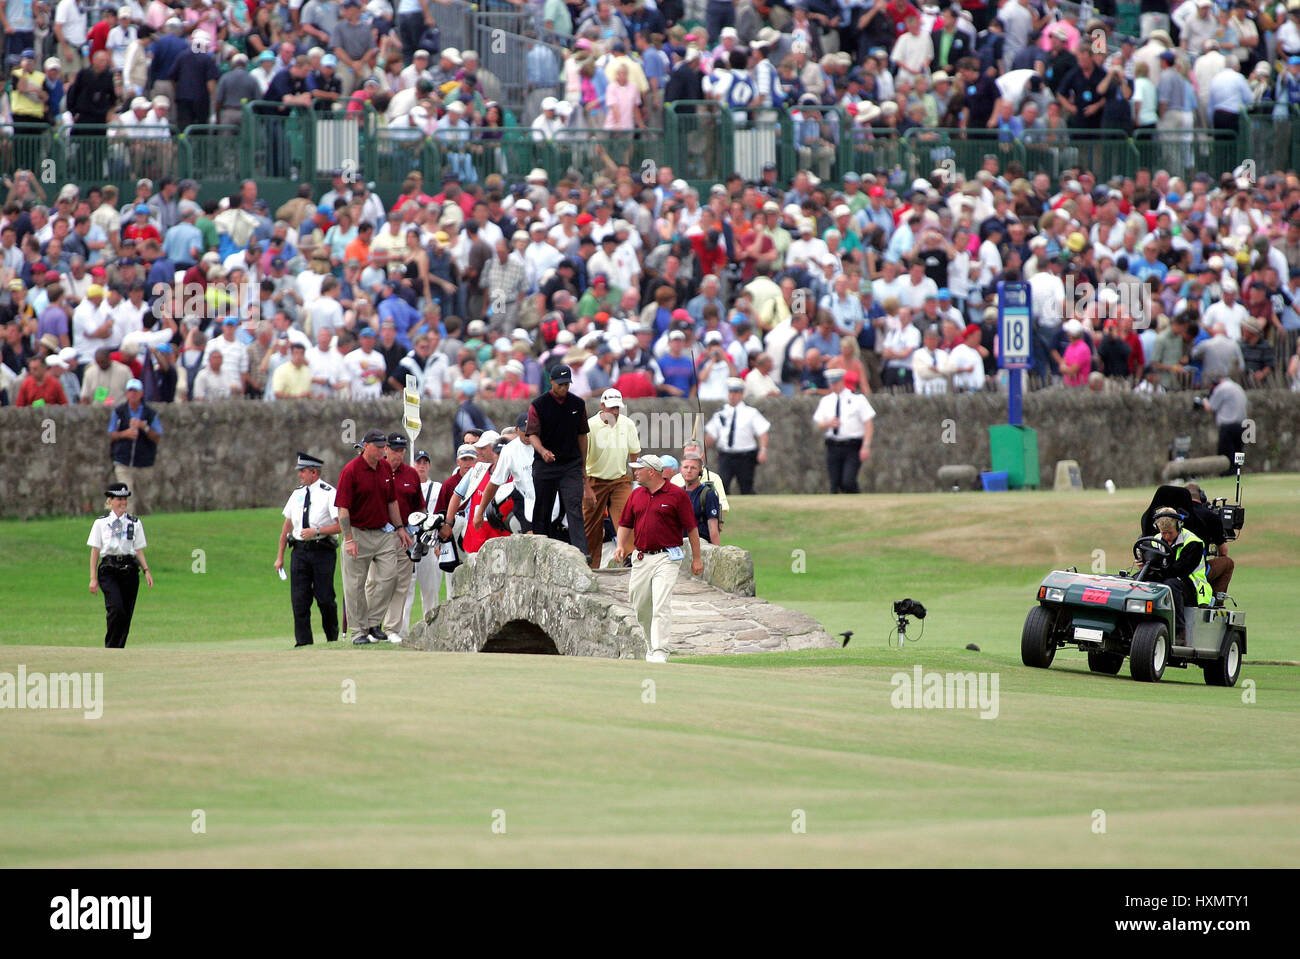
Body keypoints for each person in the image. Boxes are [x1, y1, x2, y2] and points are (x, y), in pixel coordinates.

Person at [613, 454, 704, 664]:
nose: (635, 473)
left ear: (651, 472)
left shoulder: (677, 495)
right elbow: (625, 523)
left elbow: (691, 528)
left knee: (660, 604)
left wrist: (697, 558)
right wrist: (619, 546)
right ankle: (650, 646)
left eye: (638, 469)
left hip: (667, 557)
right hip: (641, 557)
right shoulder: (636, 495)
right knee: (641, 605)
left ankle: (660, 650)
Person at [335, 429, 412, 645]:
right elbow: (343, 508)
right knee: (355, 585)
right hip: (357, 533)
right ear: (366, 446)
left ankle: (372, 622)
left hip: (383, 532)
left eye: (382, 447)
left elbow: (391, 502)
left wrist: (400, 527)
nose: (381, 451)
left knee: (390, 576)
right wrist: (348, 539)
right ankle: (358, 632)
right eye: (377, 447)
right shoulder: (351, 471)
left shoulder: (385, 467)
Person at [274, 452, 341, 647]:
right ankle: (303, 642)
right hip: (299, 552)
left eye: (303, 471)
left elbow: (341, 526)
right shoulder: (297, 494)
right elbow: (287, 527)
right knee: (299, 599)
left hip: (322, 550)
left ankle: (332, 638)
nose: (300, 475)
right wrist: (280, 556)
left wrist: (317, 530)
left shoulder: (329, 493)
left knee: (325, 598)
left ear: (314, 472)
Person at [526, 364, 592, 561]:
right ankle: (539, 550)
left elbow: (582, 436)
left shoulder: (578, 404)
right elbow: (532, 435)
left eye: (567, 384)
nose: (564, 388)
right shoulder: (538, 405)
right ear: (552, 382)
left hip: (570, 464)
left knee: (574, 507)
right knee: (543, 508)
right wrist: (543, 451)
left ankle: (581, 553)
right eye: (560, 384)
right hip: (545, 465)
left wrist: (582, 465)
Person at [366, 433, 421, 643]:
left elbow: (419, 505)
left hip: (405, 534)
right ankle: (371, 626)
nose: (398, 455)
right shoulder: (376, 470)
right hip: (380, 533)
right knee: (375, 581)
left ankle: (392, 629)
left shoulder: (411, 474)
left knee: (401, 582)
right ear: (385, 449)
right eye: (394, 450)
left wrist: (415, 530)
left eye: (401, 450)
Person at [87, 482, 153, 648]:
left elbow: (138, 549)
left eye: (125, 499)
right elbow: (95, 550)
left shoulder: (134, 523)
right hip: (109, 569)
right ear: (110, 501)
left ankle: (119, 649)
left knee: (126, 613)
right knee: (116, 609)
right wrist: (93, 578)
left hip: (129, 569)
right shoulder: (100, 523)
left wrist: (146, 570)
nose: (123, 502)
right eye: (119, 499)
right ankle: (111, 646)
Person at [582, 387, 641, 569]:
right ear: (602, 406)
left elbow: (634, 454)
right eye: (611, 408)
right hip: (594, 480)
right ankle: (590, 565)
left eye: (617, 408)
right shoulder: (589, 426)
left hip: (619, 479)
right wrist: (586, 486)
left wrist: (636, 480)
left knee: (626, 517)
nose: (615, 412)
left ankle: (631, 557)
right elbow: (581, 459)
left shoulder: (627, 424)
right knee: (591, 526)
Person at [1151, 506, 1213, 645]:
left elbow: (1179, 570)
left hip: (1192, 587)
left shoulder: (1193, 543)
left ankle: (1179, 631)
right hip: (1167, 578)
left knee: (1171, 584)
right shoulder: (1155, 540)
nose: (1166, 537)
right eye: (1163, 533)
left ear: (1179, 526)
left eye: (1170, 533)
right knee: (1138, 579)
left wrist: (1157, 569)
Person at [812, 367, 875, 494]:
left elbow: (868, 423)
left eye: (836, 383)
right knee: (835, 483)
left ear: (842, 382)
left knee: (848, 481)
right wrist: (828, 423)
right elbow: (819, 422)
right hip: (833, 444)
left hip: (852, 445)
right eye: (831, 383)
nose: (833, 386)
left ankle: (856, 500)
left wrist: (866, 445)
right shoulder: (826, 401)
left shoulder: (858, 399)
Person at [704, 377, 771, 495]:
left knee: (746, 486)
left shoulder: (751, 413)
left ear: (741, 394)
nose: (732, 396)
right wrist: (702, 452)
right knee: (722, 485)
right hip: (726, 455)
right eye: (730, 392)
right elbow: (711, 435)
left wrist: (763, 450)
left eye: (736, 392)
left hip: (745, 456)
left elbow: (762, 432)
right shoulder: (720, 413)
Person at [400, 448, 442, 631]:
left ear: (429, 465)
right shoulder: (405, 486)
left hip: (429, 543)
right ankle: (399, 631)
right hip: (409, 542)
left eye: (425, 462)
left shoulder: (437, 488)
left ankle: (430, 630)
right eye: (418, 462)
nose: (422, 466)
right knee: (405, 590)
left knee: (430, 590)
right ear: (413, 464)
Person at [108, 378, 161, 515]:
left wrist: (144, 427)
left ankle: (144, 527)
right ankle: (127, 525)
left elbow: (157, 437)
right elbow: (112, 433)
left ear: (141, 393)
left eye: (136, 391)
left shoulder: (150, 413)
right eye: (130, 391)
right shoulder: (119, 412)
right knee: (127, 496)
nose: (133, 394)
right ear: (126, 393)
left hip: (144, 463)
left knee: (144, 500)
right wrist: (124, 434)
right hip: (123, 461)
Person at [1183, 482, 1235, 597]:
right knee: (1228, 563)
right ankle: (1215, 601)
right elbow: (1223, 552)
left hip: (1172, 567)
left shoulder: (1172, 514)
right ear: (1201, 496)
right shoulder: (1211, 517)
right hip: (1197, 570)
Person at [1200, 374, 1248, 472]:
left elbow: (1210, 407)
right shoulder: (1238, 387)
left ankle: (1228, 473)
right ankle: (1238, 472)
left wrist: (1204, 400)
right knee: (1238, 453)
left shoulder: (1222, 389)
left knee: (1226, 454)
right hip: (1242, 425)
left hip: (1228, 425)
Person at [678, 451, 721, 546]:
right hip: (680, 548)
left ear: (700, 471)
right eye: (685, 467)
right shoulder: (677, 493)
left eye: (693, 468)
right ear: (680, 469)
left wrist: (717, 553)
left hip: (702, 547)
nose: (689, 470)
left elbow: (713, 529)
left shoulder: (708, 494)